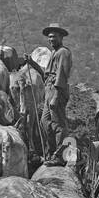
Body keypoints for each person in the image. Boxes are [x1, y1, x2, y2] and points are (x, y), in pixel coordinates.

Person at [20, 23, 72, 162]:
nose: (51, 39)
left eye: (54, 36)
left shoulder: (63, 52)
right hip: (49, 91)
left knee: (58, 124)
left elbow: (61, 75)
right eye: (49, 37)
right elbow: (46, 75)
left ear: (61, 37)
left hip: (57, 92)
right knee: (44, 121)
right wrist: (32, 63)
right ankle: (51, 152)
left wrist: (55, 96)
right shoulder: (54, 53)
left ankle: (61, 156)